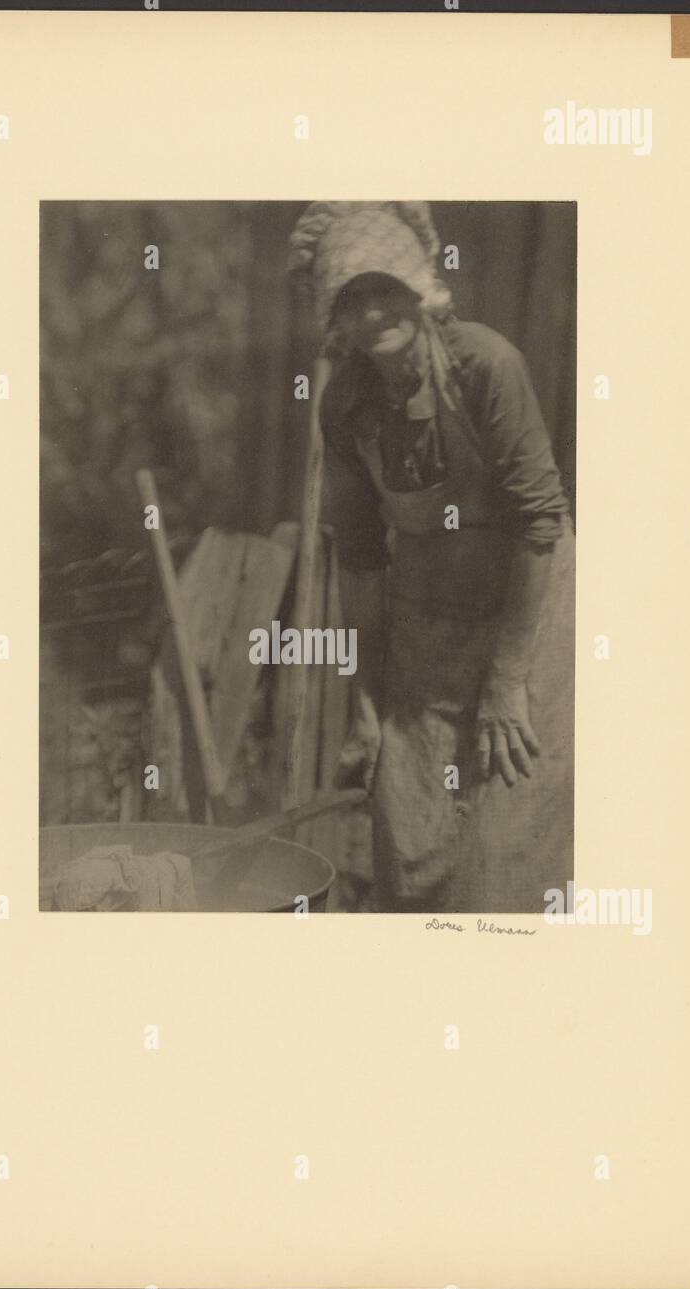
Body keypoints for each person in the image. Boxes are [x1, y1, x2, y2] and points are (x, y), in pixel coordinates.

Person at [287, 201, 574, 913]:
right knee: (411, 844)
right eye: (351, 300)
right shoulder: (347, 401)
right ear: (335, 318)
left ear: (420, 291)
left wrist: (508, 683)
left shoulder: (486, 365)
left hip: (524, 620)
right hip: (427, 633)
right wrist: (366, 702)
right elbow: (358, 557)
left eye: (385, 290)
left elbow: (540, 522)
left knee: (502, 860)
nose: (373, 312)